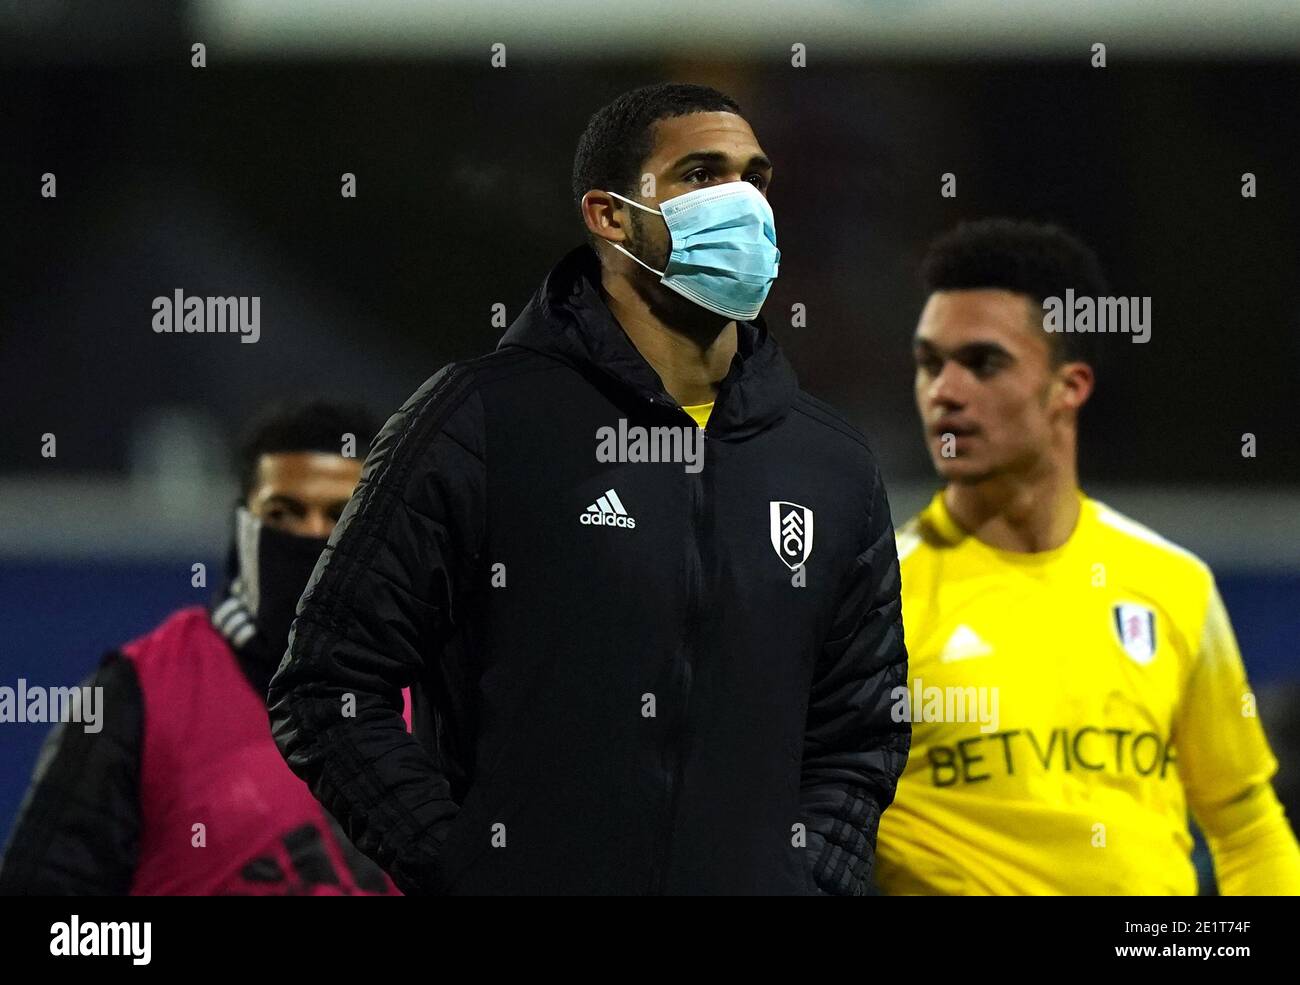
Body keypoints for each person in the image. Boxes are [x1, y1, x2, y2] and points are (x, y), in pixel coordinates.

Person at [269, 82, 910, 895]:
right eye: (702, 175)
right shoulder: (482, 422)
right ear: (608, 216)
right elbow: (328, 683)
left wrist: (804, 881)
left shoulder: (830, 463)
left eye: (757, 176)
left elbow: (861, 733)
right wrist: (469, 867)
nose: (744, 203)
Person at [874, 217, 1300, 894]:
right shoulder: (873, 599)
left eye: (982, 362)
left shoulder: (1174, 584)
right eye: (930, 363)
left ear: (1068, 387)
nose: (944, 391)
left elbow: (1247, 827)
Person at [0, 400, 401, 896]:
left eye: (341, 515)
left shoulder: (445, 695)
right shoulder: (139, 693)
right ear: (242, 523)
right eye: (285, 512)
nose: (313, 537)